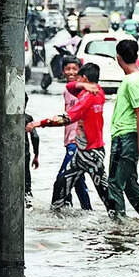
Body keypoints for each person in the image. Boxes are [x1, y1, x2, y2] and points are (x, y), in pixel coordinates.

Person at [27, 63, 113, 212]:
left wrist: (38, 123)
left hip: (91, 154)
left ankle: (117, 220)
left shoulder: (87, 97)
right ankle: (57, 217)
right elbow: (70, 87)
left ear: (84, 78)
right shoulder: (98, 91)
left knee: (104, 192)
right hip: (84, 151)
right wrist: (83, 85)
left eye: (80, 78)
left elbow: (66, 118)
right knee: (61, 183)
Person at [107, 39, 139, 219]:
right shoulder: (136, 78)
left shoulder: (132, 81)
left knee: (114, 184)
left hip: (125, 138)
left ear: (118, 58)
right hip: (126, 137)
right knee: (130, 185)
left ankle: (117, 227)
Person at [52, 57, 91, 209]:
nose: (71, 72)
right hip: (70, 142)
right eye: (67, 69)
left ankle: (56, 210)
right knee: (78, 180)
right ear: (62, 71)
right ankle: (85, 210)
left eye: (74, 69)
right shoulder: (66, 91)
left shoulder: (83, 90)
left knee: (62, 178)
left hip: (77, 142)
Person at [24, 94, 40, 206]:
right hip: (24, 152)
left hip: (7, 154)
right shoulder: (28, 118)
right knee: (26, 178)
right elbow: (35, 137)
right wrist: (36, 155)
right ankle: (28, 201)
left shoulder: (3, 117)